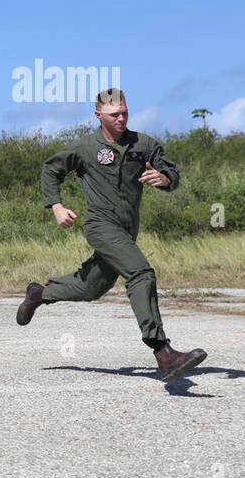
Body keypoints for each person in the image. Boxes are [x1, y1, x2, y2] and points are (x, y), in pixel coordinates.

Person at [16, 89, 206, 381]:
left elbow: (170, 170)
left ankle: (40, 294)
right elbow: (50, 170)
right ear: (98, 116)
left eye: (125, 113)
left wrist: (165, 178)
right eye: (114, 114)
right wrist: (56, 206)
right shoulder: (84, 148)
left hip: (128, 229)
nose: (121, 119)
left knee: (91, 288)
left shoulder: (143, 144)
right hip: (100, 224)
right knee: (141, 273)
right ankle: (163, 353)